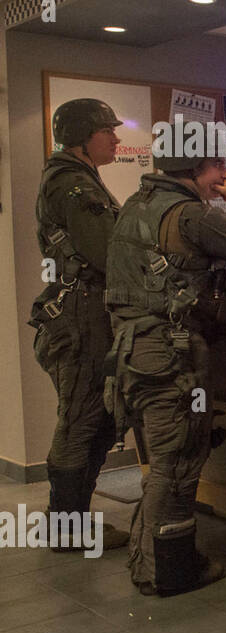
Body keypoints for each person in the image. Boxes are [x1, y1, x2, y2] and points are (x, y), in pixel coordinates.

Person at [104, 148, 226, 594]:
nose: (224, 174)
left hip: (132, 350)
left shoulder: (134, 207)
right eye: (218, 166)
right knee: (176, 460)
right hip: (169, 353)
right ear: (196, 170)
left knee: (165, 459)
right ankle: (169, 570)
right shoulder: (190, 214)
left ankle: (154, 561)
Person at [31, 99, 130, 551]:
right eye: (106, 131)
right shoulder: (74, 184)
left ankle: (71, 524)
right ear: (82, 137)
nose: (115, 138)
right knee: (80, 420)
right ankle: (66, 530)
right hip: (80, 318)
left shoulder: (75, 177)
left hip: (84, 315)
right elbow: (107, 254)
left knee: (97, 419)